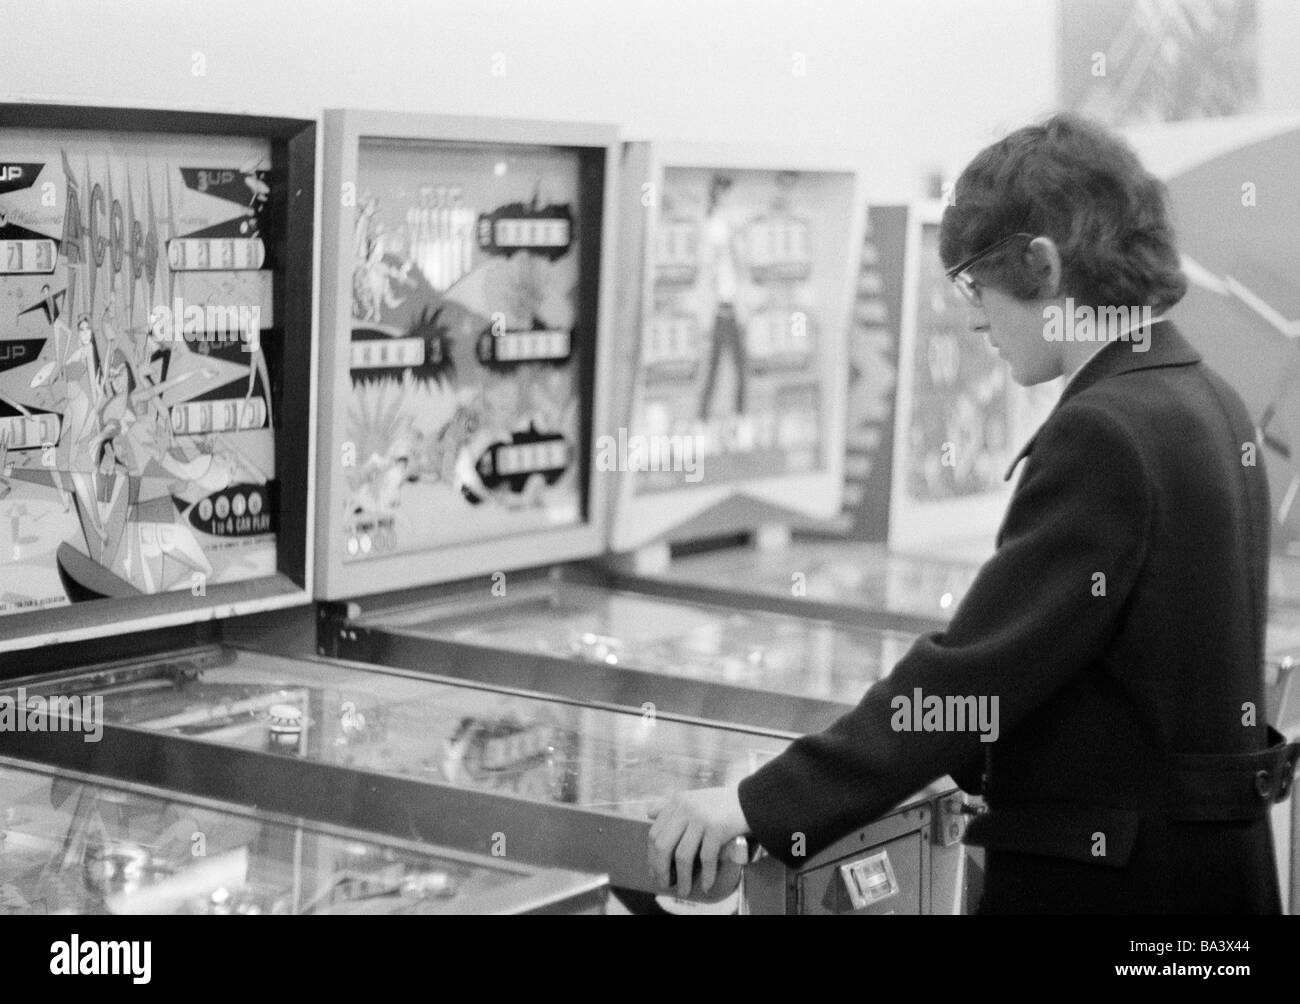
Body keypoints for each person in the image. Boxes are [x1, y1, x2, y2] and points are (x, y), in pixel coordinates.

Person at [647, 112, 1299, 914]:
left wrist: (754, 804)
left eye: (974, 285)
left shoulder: (1108, 431)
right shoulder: (1204, 396)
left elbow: (978, 674)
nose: (974, 318)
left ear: (1044, 265)